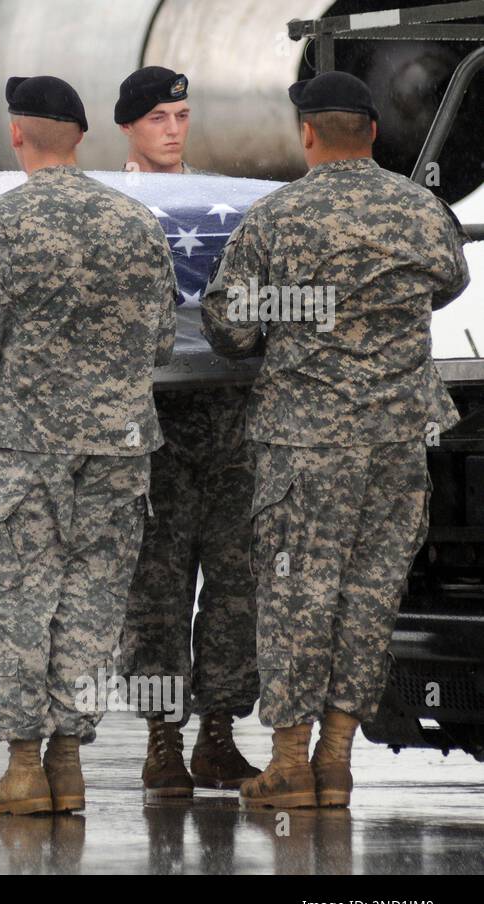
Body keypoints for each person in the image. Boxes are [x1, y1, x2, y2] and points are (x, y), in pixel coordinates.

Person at [0, 76, 178, 814]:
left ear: (16, 134)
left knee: (19, 601)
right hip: (119, 448)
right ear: (81, 137)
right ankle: (69, 767)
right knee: (94, 603)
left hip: (28, 447)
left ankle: (23, 768)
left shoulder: (2, 223)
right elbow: (159, 342)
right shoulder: (136, 222)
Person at [201, 71, 469, 809]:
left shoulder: (276, 219)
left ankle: (288, 762)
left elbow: (230, 330)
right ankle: (336, 759)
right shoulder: (422, 211)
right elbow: (449, 281)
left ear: (307, 132)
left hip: (306, 447)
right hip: (396, 443)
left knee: (296, 597)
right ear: (374, 133)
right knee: (369, 597)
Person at [114, 66, 261, 798]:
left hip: (229, 428)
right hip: (155, 433)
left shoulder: (222, 207)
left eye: (181, 115)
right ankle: (161, 740)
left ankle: (220, 735)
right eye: (159, 119)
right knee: (156, 596)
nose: (174, 129)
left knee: (236, 585)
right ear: (128, 129)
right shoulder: (111, 209)